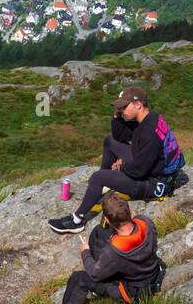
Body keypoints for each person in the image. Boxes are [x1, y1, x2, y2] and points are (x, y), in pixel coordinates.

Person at [48, 85, 185, 234]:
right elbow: (119, 135)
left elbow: (139, 171)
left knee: (97, 177)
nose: (122, 110)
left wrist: (121, 168)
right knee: (110, 141)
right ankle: (101, 185)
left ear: (138, 105)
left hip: (156, 183)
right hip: (150, 167)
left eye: (124, 107)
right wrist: (117, 115)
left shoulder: (148, 133)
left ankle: (77, 220)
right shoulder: (150, 117)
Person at [43, 193, 165, 304]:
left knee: (78, 278)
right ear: (130, 212)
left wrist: (85, 252)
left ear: (107, 219)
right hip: (152, 273)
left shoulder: (114, 252)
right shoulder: (145, 221)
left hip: (131, 291)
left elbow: (95, 274)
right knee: (98, 233)